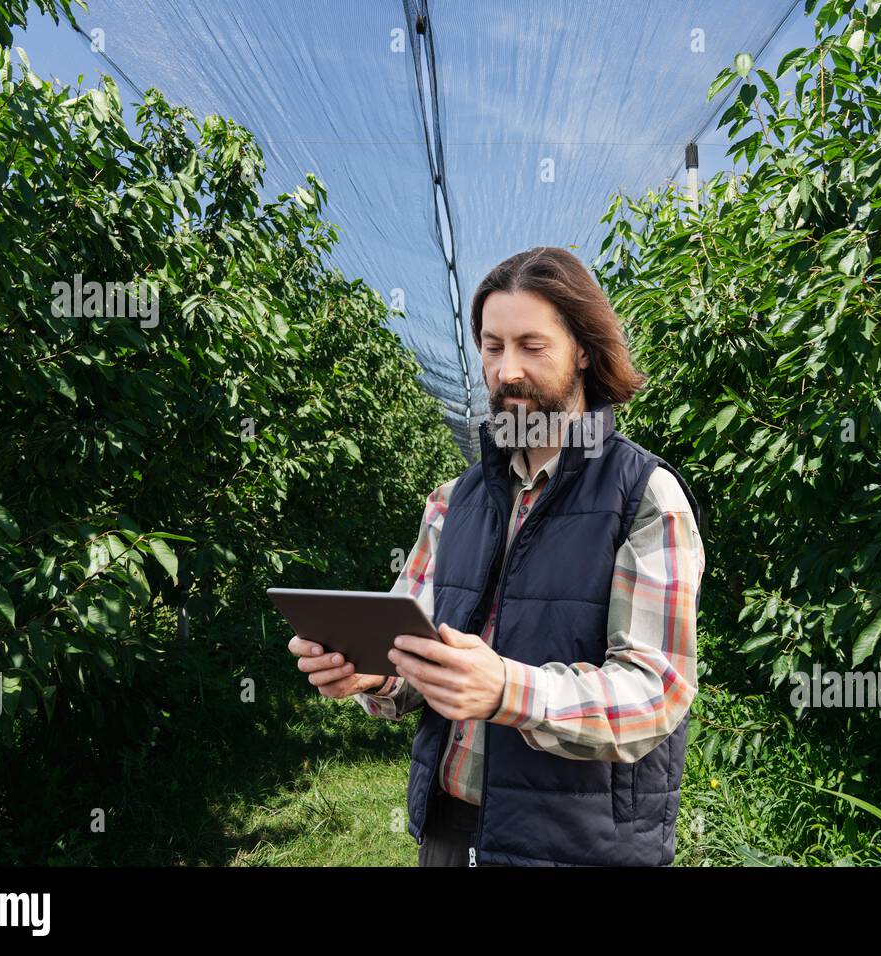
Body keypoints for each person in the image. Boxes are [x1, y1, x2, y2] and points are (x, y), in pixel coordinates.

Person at [288, 246, 704, 866]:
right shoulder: (455, 500)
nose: (507, 370)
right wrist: (371, 674)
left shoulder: (644, 496)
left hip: (575, 844)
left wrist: (509, 688)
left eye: (532, 346)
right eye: (492, 346)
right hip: (451, 834)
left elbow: (655, 694)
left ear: (583, 352)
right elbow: (415, 654)